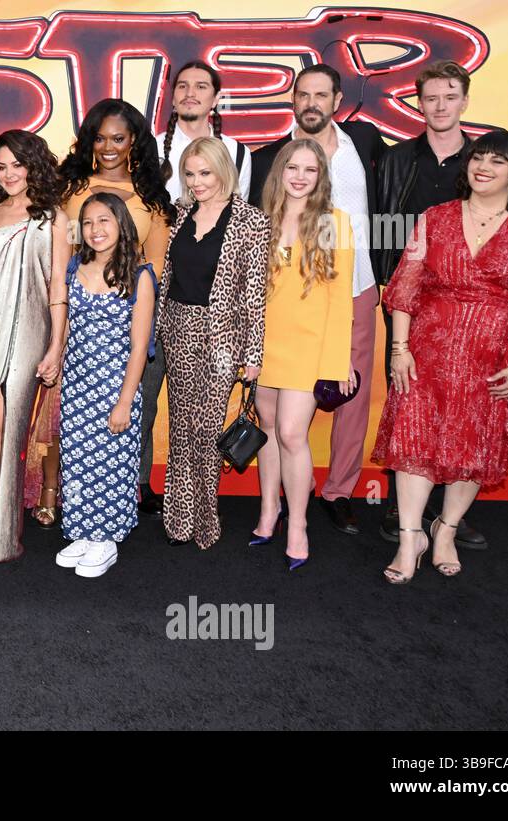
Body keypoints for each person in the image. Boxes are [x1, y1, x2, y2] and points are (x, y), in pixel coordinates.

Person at [372, 130, 508, 584]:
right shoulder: (434, 218)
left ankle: (445, 531)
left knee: (475, 446)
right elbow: (404, 288)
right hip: (427, 352)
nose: (484, 167)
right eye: (479, 157)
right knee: (414, 443)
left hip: (496, 358)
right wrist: (399, 350)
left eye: (499, 161)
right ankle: (408, 539)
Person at [250, 64, 385, 537]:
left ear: (336, 99)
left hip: (355, 285)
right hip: (282, 313)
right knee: (281, 421)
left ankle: (340, 490)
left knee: (349, 393)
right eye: (302, 94)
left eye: (320, 94)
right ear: (293, 100)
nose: (311, 102)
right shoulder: (267, 158)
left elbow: (386, 204)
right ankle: (280, 503)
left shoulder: (364, 146)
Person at [40, 98, 173, 527]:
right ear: (89, 142)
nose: (110, 146)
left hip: (127, 325)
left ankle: (118, 506)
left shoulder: (150, 197)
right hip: (75, 318)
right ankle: (59, 499)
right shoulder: (70, 189)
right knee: (64, 420)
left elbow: (154, 268)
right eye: (100, 138)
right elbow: (56, 255)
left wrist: (145, 329)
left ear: (134, 140)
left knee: (131, 412)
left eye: (119, 138)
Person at [372, 60, 486, 551]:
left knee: (464, 403)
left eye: (449, 96)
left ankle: (449, 515)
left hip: (471, 304)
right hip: (410, 298)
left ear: (464, 100)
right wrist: (388, 280)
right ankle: (407, 510)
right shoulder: (399, 160)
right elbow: (383, 221)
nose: (439, 106)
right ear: (419, 103)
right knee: (411, 400)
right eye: (431, 98)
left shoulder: (485, 159)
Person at [158, 136, 270, 549]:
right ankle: (178, 517)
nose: (197, 181)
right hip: (176, 327)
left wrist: (253, 354)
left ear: (225, 169)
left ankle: (205, 520)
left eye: (205, 172)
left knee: (206, 429)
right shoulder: (181, 215)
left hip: (223, 337)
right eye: (190, 173)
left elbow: (255, 294)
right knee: (181, 427)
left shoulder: (252, 221)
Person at [0, 130, 70, 561]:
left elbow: (58, 288)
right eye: (2, 166)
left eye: (17, 165)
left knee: (9, 427)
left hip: (30, 332)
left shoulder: (54, 218)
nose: (8, 174)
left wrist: (56, 348)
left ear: (34, 165)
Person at [251, 139, 355, 570]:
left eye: (309, 170)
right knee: (269, 427)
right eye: (292, 167)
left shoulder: (335, 223)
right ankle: (268, 512)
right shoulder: (260, 222)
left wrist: (335, 362)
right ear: (280, 172)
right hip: (263, 345)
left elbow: (340, 300)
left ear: (320, 177)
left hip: (307, 347)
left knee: (293, 433)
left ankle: (298, 524)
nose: (299, 176)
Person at [54, 193, 155, 578]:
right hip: (78, 384)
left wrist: (125, 401)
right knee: (78, 461)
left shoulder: (140, 276)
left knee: (112, 462)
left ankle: (107, 539)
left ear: (121, 225)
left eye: (105, 221)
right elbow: (64, 329)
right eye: (89, 222)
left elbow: (139, 347)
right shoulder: (73, 267)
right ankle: (82, 531)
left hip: (116, 387)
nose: (96, 230)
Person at [157, 59, 252, 202]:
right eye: (182, 86)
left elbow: (239, 214)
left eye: (201, 87)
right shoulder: (152, 148)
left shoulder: (237, 152)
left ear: (216, 99)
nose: (190, 93)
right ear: (173, 99)